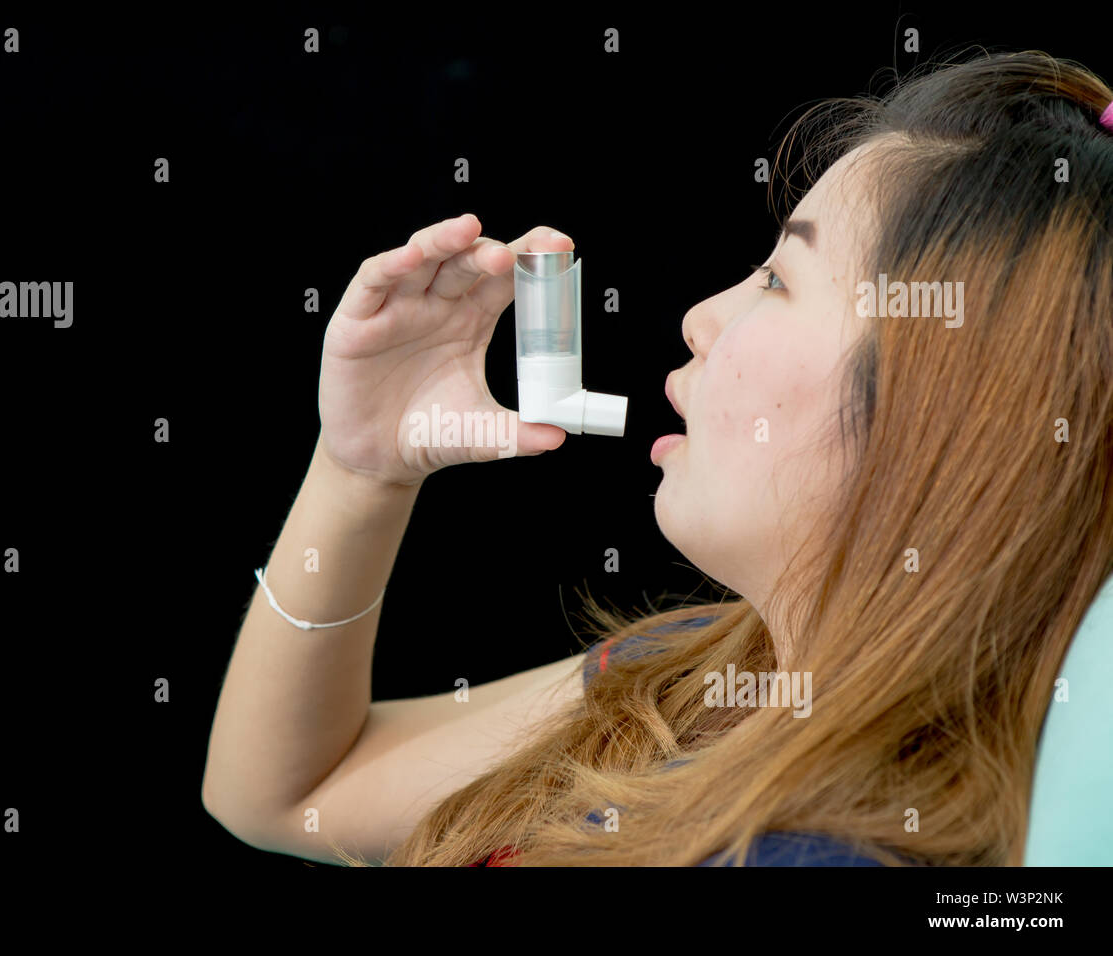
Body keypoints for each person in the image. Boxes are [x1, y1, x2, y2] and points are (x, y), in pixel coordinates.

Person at [201, 49, 1113, 866]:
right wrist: (362, 469)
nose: (701, 318)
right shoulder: (689, 675)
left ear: (945, 410)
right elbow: (288, 796)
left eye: (778, 280)